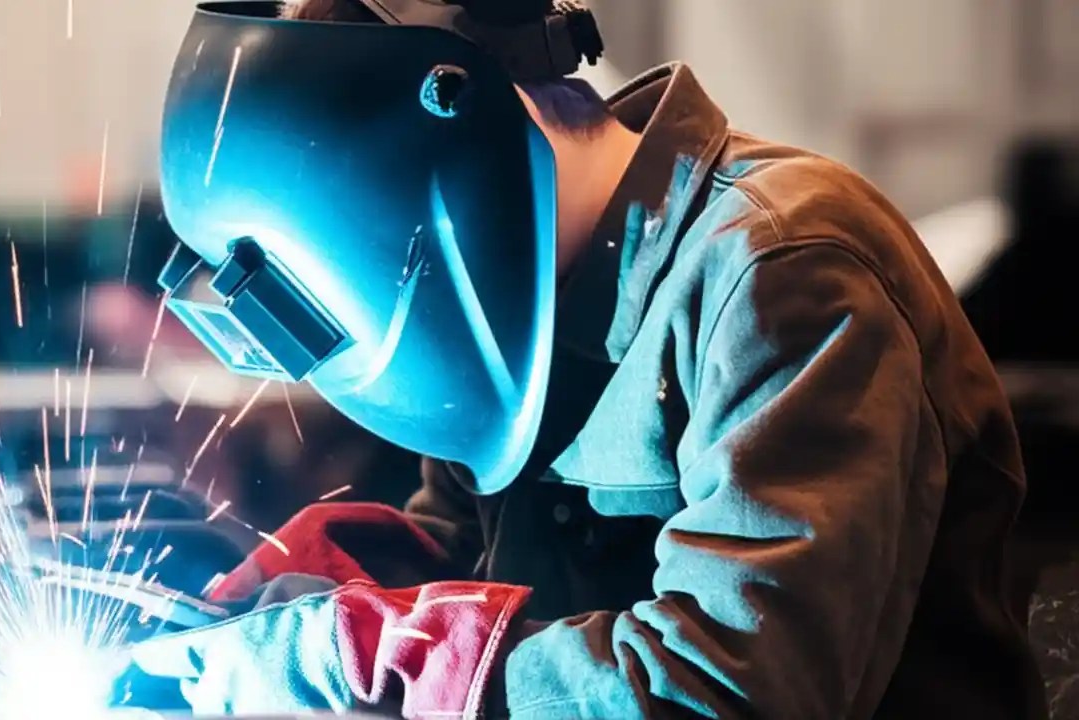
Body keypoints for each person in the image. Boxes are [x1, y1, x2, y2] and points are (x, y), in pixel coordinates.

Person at [128, 1, 1047, 717]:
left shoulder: (783, 267)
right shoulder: (523, 313)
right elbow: (482, 568)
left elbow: (729, 691)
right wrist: (344, 584)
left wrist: (370, 656)